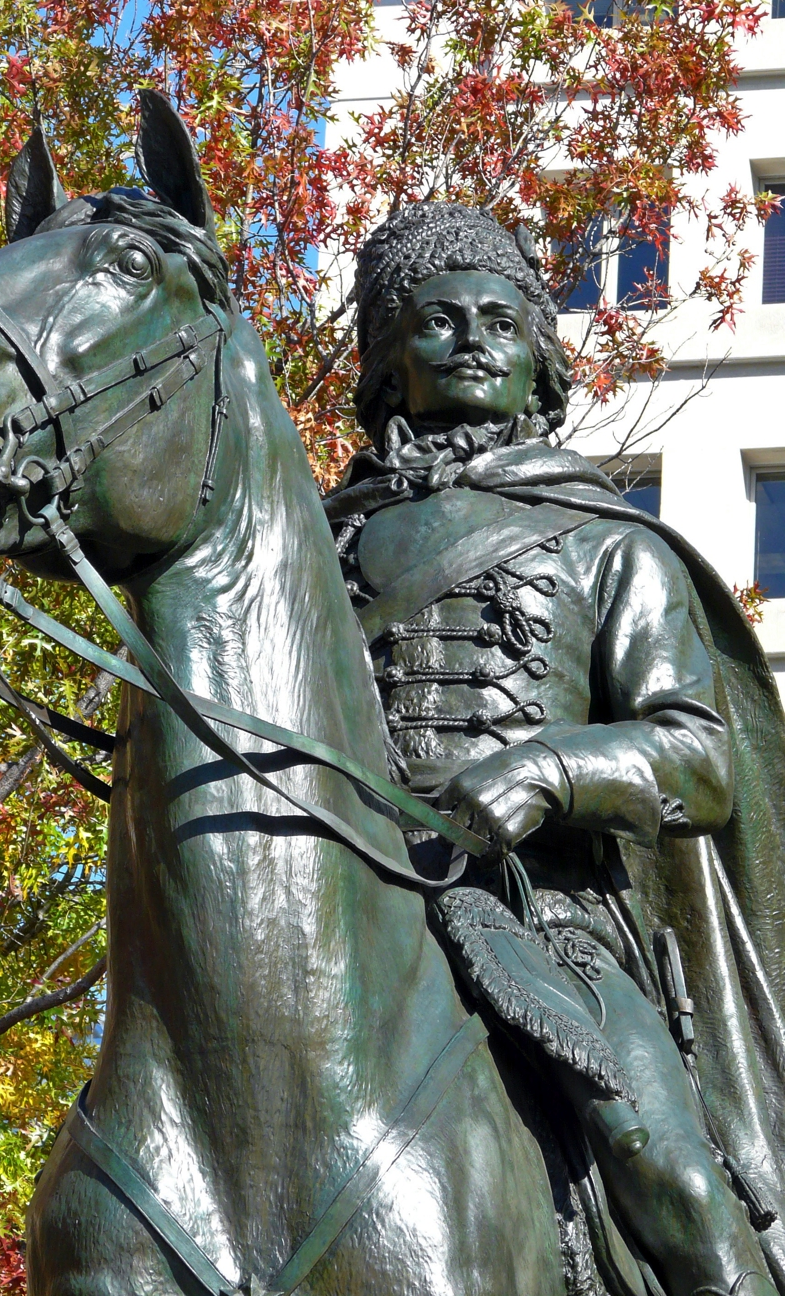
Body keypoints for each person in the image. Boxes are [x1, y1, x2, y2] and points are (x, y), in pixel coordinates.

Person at [324, 202, 785, 1296]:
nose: (472, 337)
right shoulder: (319, 537)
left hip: (545, 915)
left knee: (667, 1174)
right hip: (340, 897)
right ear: (389, 367)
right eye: (434, 322)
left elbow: (698, 757)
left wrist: (546, 769)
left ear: (536, 356)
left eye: (499, 318)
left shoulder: (603, 542)